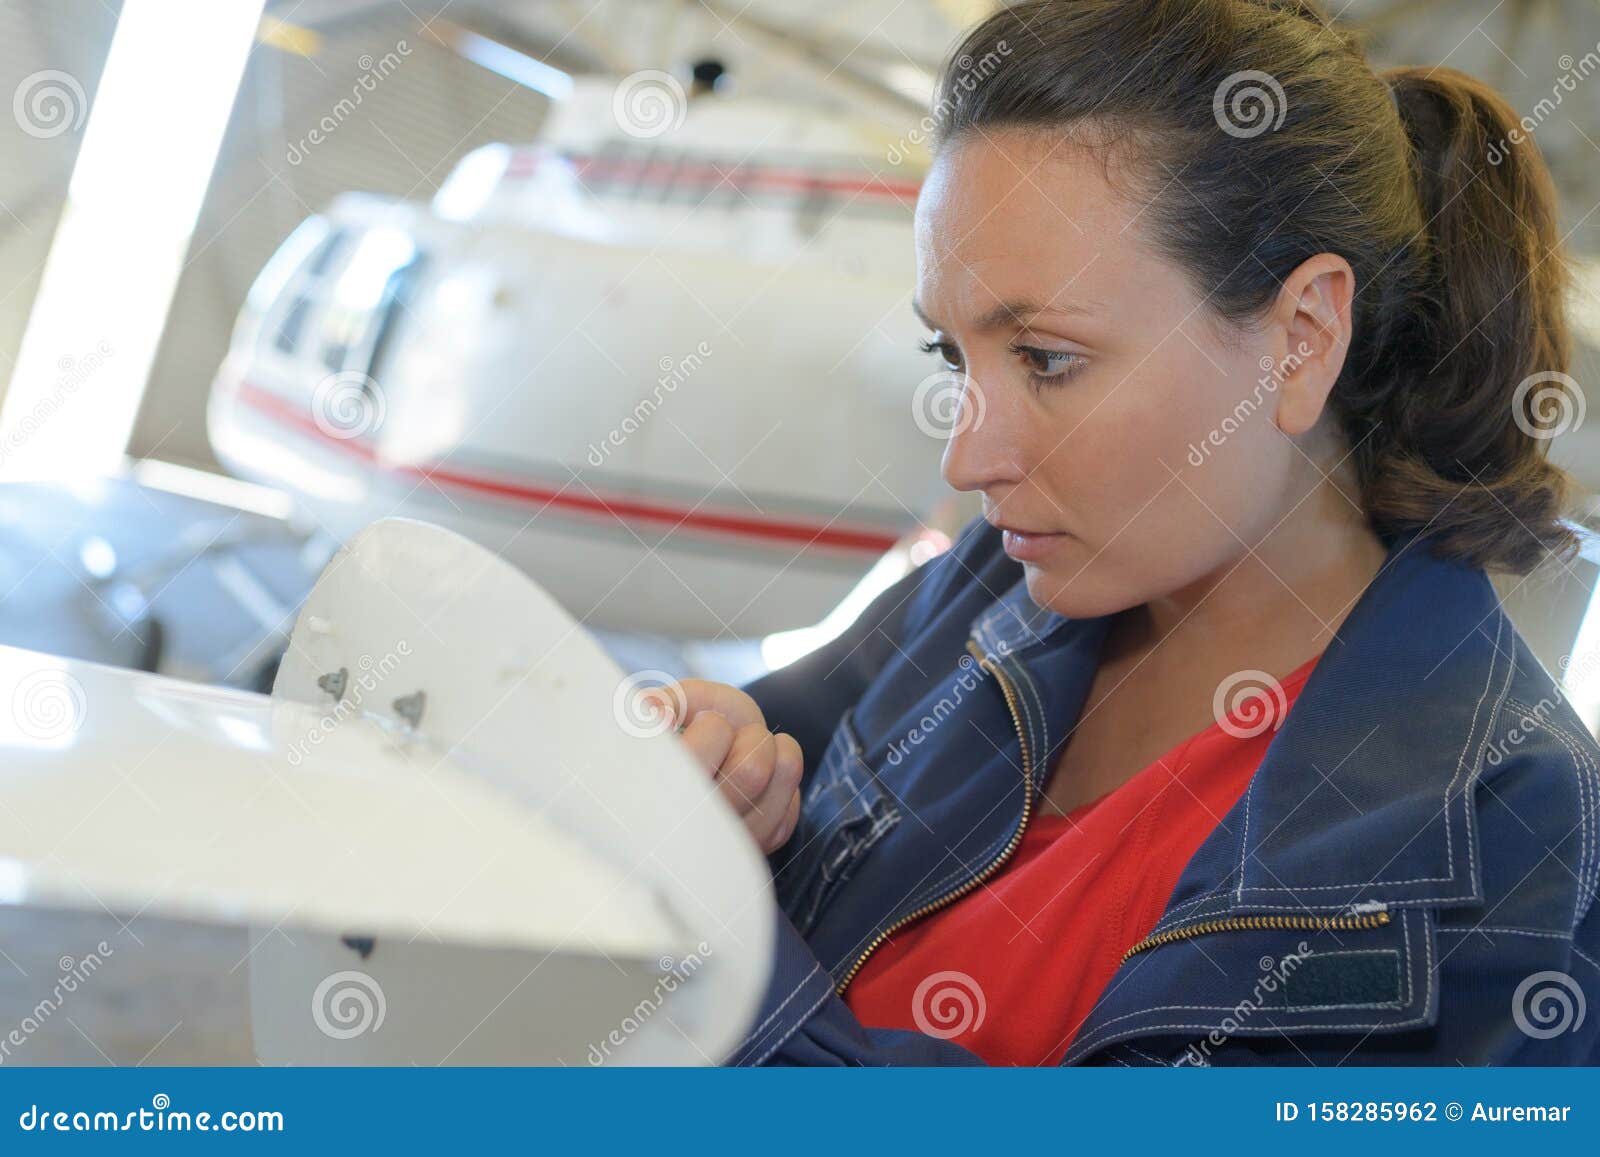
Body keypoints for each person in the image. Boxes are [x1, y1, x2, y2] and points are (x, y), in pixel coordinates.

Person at [658, 0, 1600, 1065]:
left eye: (1047, 359)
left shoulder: (1510, 832)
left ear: (1300, 339)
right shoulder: (993, 582)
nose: (966, 461)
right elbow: (770, 729)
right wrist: (694, 751)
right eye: (952, 359)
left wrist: (706, 939)